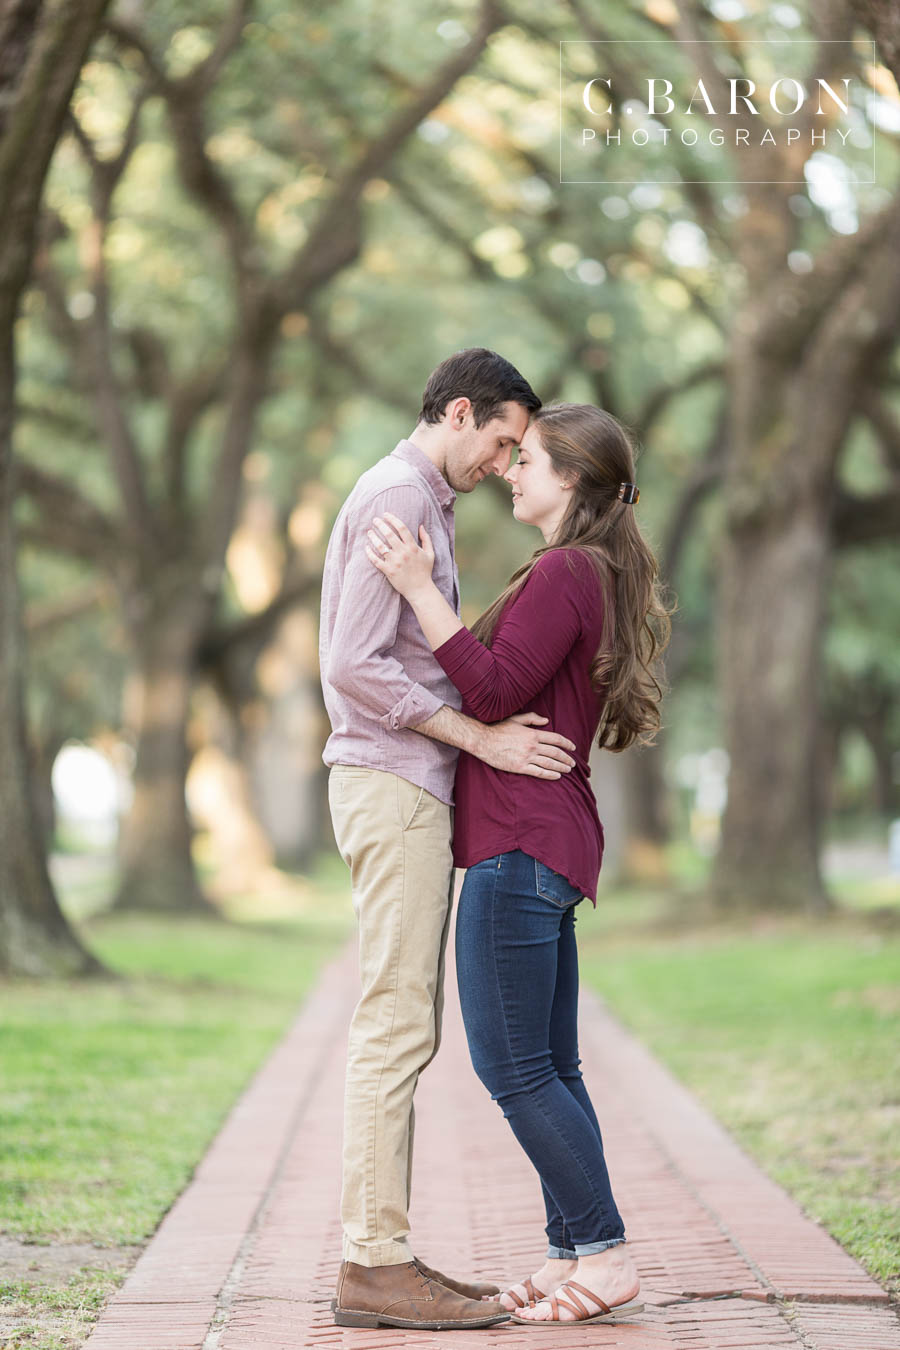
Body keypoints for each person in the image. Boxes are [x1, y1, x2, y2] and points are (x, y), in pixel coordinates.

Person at [365, 400, 672, 1326]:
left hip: (520, 845)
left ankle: (606, 1252)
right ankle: (571, 1248)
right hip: (543, 841)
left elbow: (494, 692)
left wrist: (419, 589)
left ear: (571, 479)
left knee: (515, 1069)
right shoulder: (585, 570)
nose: (509, 469)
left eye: (527, 458)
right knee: (553, 1066)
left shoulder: (565, 570)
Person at [320, 349, 582, 1332]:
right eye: (503, 442)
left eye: (519, 453)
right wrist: (480, 737)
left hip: (406, 786)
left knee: (406, 1022)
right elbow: (353, 666)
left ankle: (385, 1252)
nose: (504, 464)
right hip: (392, 784)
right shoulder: (398, 495)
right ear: (460, 412)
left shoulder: (425, 500)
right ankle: (374, 1263)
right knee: (396, 1023)